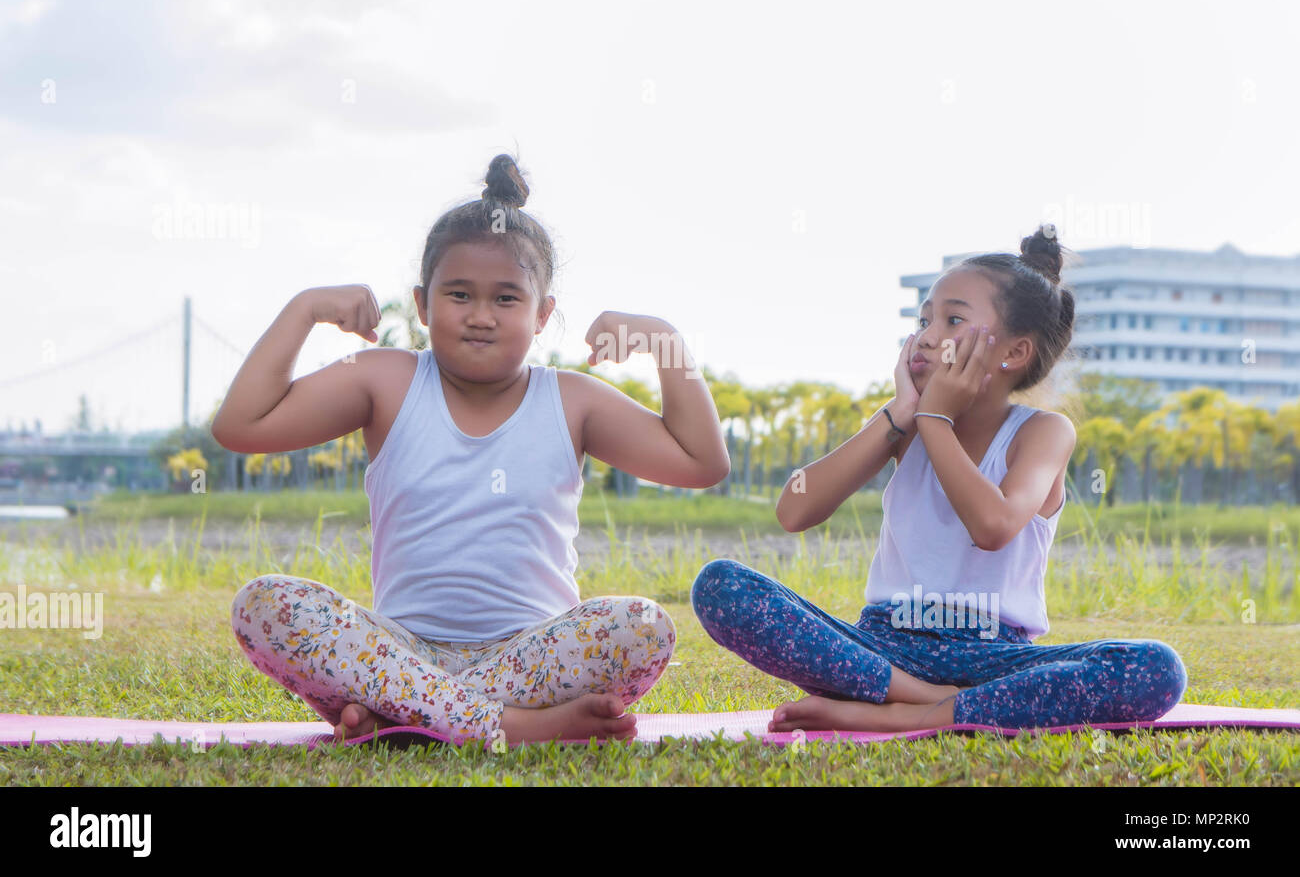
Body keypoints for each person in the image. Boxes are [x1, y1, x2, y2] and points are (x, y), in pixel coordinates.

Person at [215, 154, 730, 748]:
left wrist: (664, 340)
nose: (481, 316)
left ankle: (413, 719)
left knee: (642, 626)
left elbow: (701, 462)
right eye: (459, 294)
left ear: (543, 315)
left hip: (531, 659)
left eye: (507, 299)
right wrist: (305, 309)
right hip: (401, 652)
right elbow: (242, 425)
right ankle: (506, 729)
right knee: (266, 604)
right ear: (424, 302)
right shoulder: (385, 380)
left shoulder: (571, 400)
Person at [691, 227, 1187, 733]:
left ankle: (901, 713)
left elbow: (993, 527)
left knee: (1154, 668)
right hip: (885, 649)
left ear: (1013, 353)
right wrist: (902, 415)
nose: (926, 335)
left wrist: (935, 421)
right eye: (923, 318)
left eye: (952, 319)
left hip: (995, 658)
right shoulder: (901, 422)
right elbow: (794, 510)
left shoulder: (1042, 433)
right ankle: (927, 700)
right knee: (722, 586)